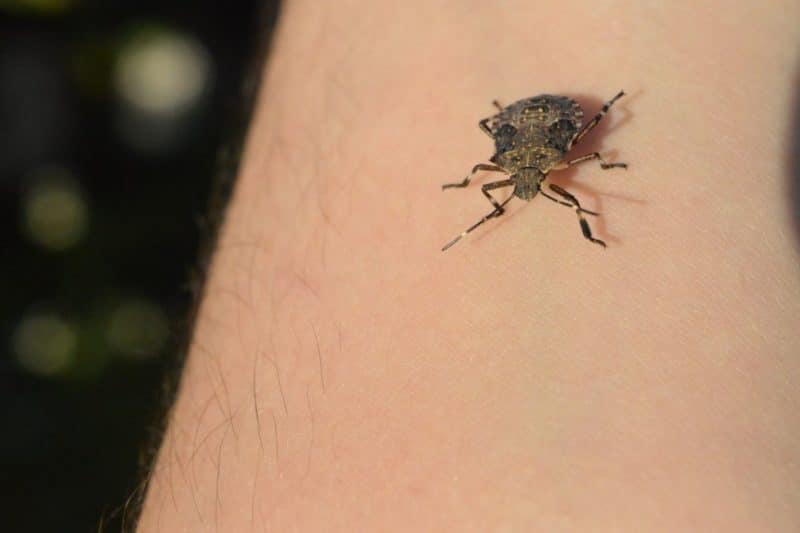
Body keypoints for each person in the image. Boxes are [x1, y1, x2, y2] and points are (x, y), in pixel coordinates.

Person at [137, 1, 800, 530]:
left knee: (587, 162)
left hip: (540, 118)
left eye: (530, 184)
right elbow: (502, 173)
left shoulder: (558, 165)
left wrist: (601, 161)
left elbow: (589, 156)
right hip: (530, 120)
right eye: (521, 186)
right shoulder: (506, 173)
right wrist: (473, 193)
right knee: (528, 168)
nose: (527, 191)